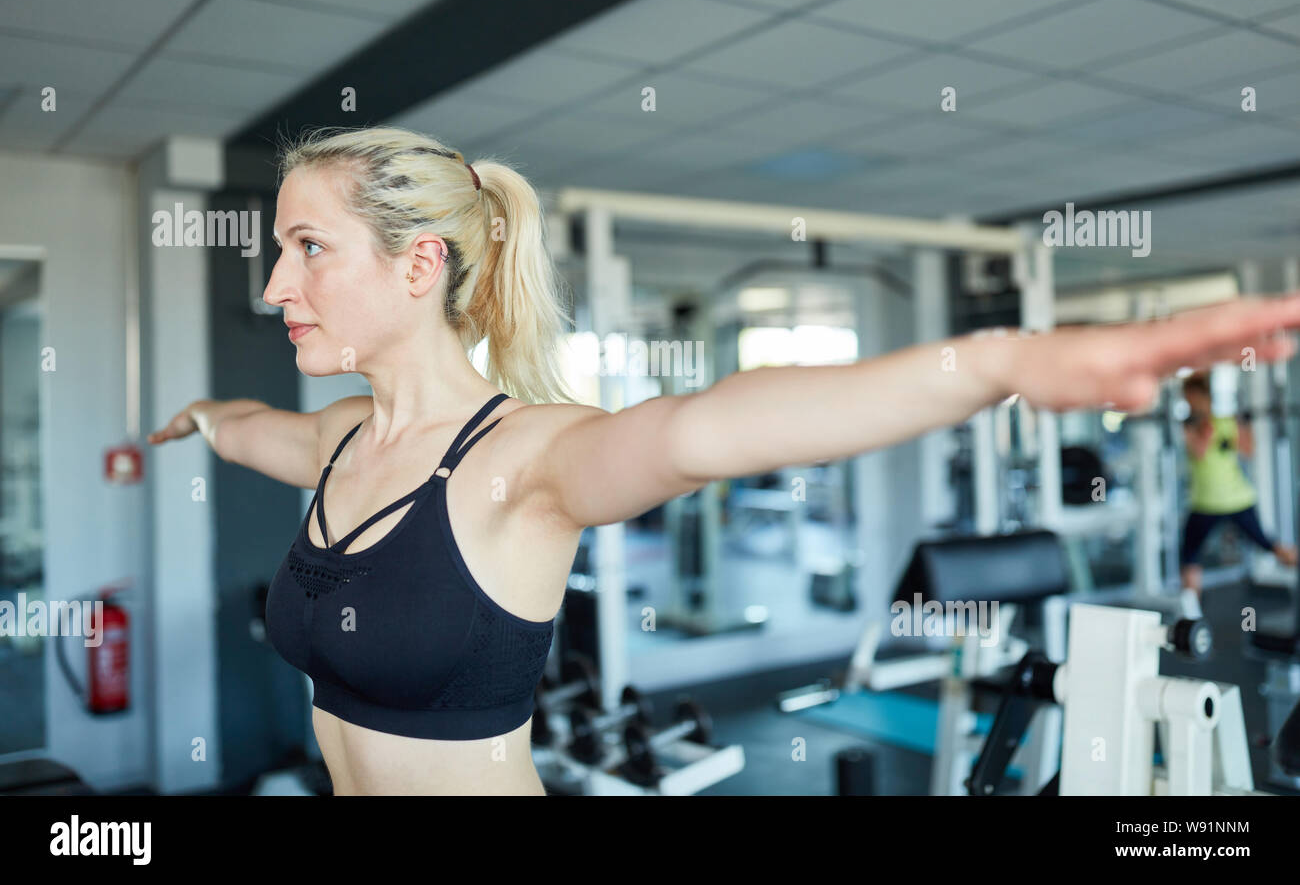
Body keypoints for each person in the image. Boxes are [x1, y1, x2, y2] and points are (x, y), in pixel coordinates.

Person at [148, 124, 1300, 795]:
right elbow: (246, 424)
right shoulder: (341, 438)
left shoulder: (521, 457)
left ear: (418, 266)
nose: (272, 286)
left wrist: (999, 361)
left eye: (306, 248)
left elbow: (715, 423)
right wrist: (179, 423)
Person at [1179, 370, 1297, 597]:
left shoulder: (1226, 422)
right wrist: (1203, 431)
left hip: (1237, 498)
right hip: (1205, 502)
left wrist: (1243, 425)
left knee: (1269, 546)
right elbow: (1199, 453)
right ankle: (1190, 614)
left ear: (1206, 397)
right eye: (1187, 399)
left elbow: (1249, 450)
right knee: (1189, 556)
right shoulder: (1189, 426)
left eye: (1193, 398)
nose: (1190, 403)